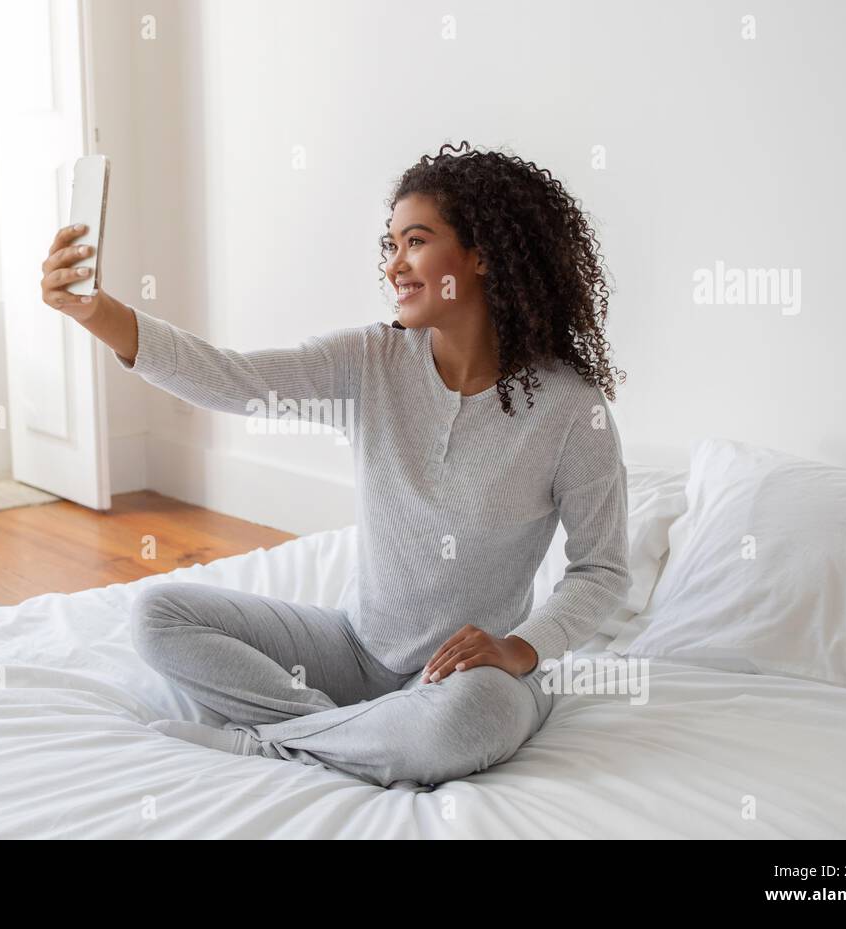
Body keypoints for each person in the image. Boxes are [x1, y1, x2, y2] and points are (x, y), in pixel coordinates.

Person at [38, 140, 631, 791]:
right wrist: (96, 311)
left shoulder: (572, 409)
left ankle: (285, 741)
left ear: (482, 254)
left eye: (414, 241)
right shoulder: (370, 363)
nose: (394, 265)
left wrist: (519, 648)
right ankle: (336, 737)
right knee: (158, 614)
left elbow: (600, 570)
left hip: (467, 675)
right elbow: (233, 378)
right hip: (353, 651)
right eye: (390, 245)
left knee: (466, 723)